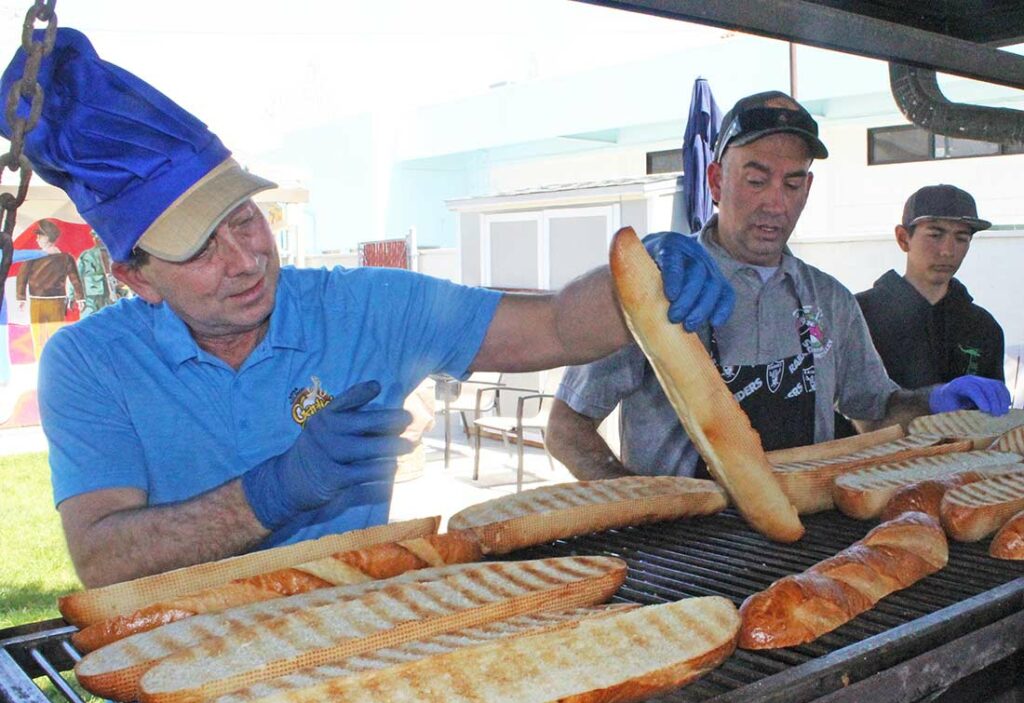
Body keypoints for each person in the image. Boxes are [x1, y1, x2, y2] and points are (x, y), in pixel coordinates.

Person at [0, 28, 732, 589]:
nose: (246, 259)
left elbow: (558, 327)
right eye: (200, 249)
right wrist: (274, 491)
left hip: (355, 645)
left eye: (246, 220)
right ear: (137, 278)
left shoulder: (365, 308)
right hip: (178, 668)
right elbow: (101, 559)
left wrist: (638, 281)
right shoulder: (90, 361)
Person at [546, 91, 1011, 481]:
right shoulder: (658, 286)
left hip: (800, 538)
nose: (775, 203)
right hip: (680, 546)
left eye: (792, 184)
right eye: (756, 179)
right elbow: (567, 428)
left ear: (807, 189)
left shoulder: (830, 300)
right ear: (716, 181)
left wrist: (934, 399)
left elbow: (876, 411)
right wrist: (640, 505)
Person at [856, 184, 1004, 388]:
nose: (948, 251)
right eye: (935, 235)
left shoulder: (983, 327)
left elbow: (993, 406)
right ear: (903, 238)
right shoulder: (858, 315)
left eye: (961, 238)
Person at [14, 219, 85, 356]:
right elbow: (75, 279)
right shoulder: (64, 257)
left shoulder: (37, 257)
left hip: (45, 302)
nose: (37, 239)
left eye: (40, 236)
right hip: (51, 301)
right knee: (52, 336)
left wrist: (21, 298)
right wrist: (80, 298)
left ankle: (44, 360)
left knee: (42, 337)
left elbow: (22, 277)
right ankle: (49, 360)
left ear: (48, 237)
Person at [76, 230, 118, 317]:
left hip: (111, 294)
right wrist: (77, 298)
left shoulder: (114, 254)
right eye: (97, 237)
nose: (99, 240)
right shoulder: (86, 255)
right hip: (92, 297)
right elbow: (76, 275)